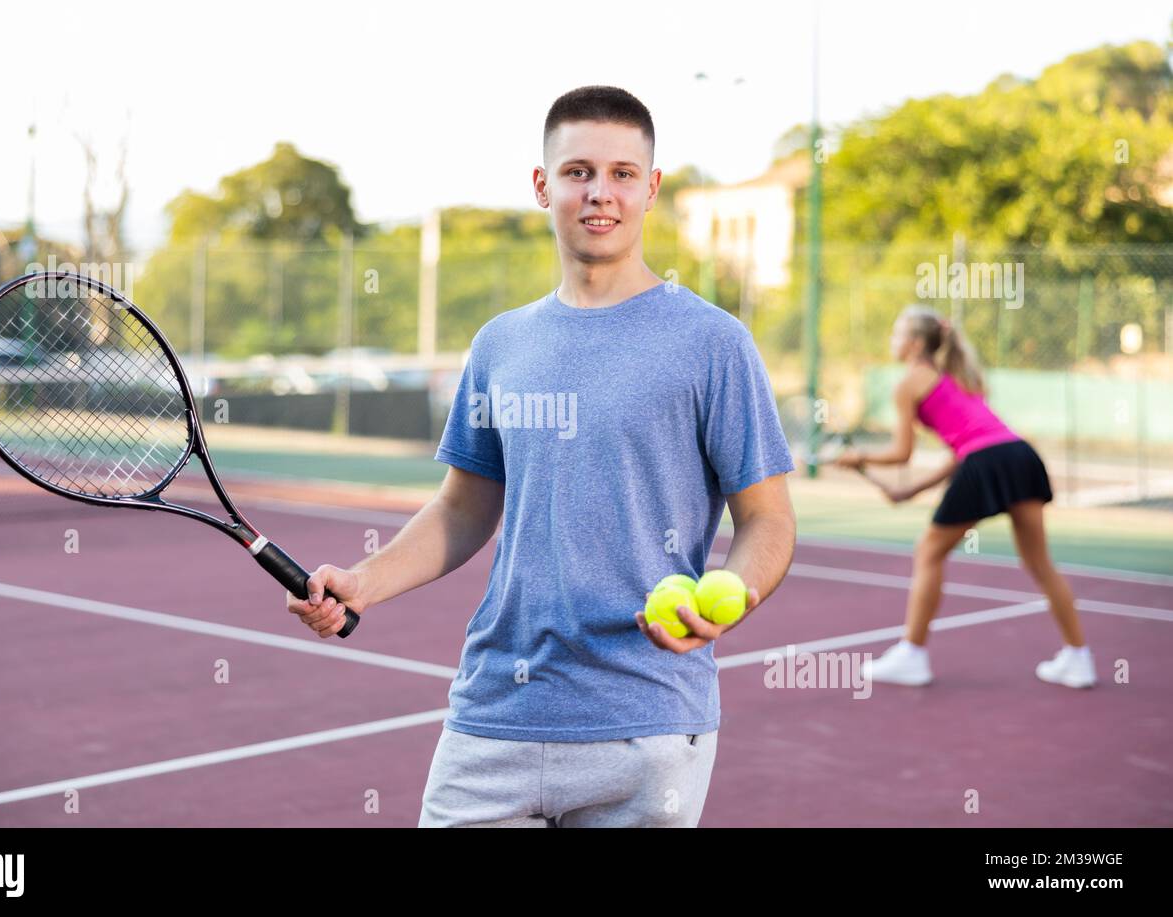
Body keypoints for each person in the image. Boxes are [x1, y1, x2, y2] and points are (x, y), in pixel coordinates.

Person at [287, 85, 797, 826]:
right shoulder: (500, 344)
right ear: (542, 184)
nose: (601, 192)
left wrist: (732, 593)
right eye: (578, 171)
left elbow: (769, 520)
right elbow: (463, 507)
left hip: (647, 724)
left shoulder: (713, 343)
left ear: (651, 189)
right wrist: (362, 582)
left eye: (624, 173)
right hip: (495, 711)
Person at [835, 304, 1095, 689]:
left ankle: (912, 655)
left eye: (897, 333)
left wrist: (859, 456)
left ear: (915, 342)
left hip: (989, 461)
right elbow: (967, 448)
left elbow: (902, 453)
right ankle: (1079, 658)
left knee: (929, 552)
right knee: (1040, 564)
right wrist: (912, 489)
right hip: (1019, 455)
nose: (892, 340)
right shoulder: (955, 376)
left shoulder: (908, 384)